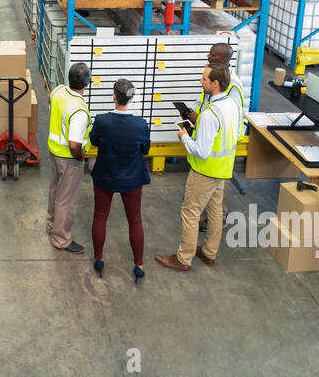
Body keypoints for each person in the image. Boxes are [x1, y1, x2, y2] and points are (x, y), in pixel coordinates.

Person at [156, 63, 241, 272]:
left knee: (190, 212)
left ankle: (183, 259)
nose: (201, 82)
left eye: (204, 79)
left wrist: (184, 136)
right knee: (215, 212)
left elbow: (201, 151)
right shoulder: (231, 104)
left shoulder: (211, 114)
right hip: (222, 170)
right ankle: (209, 253)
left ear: (216, 83)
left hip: (205, 171)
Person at [88, 78, 151, 283]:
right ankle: (139, 264)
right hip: (132, 178)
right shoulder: (140, 124)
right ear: (132, 98)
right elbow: (145, 149)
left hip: (105, 175)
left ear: (114, 96)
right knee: (135, 220)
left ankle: (99, 258)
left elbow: (94, 141)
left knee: (100, 217)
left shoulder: (102, 121)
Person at [46, 62, 91, 254]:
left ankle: (51, 225)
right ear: (86, 84)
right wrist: (81, 157)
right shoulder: (78, 110)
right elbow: (74, 144)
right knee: (67, 198)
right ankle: (61, 239)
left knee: (55, 190)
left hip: (54, 151)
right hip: (68, 158)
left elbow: (50, 100)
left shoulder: (58, 91)